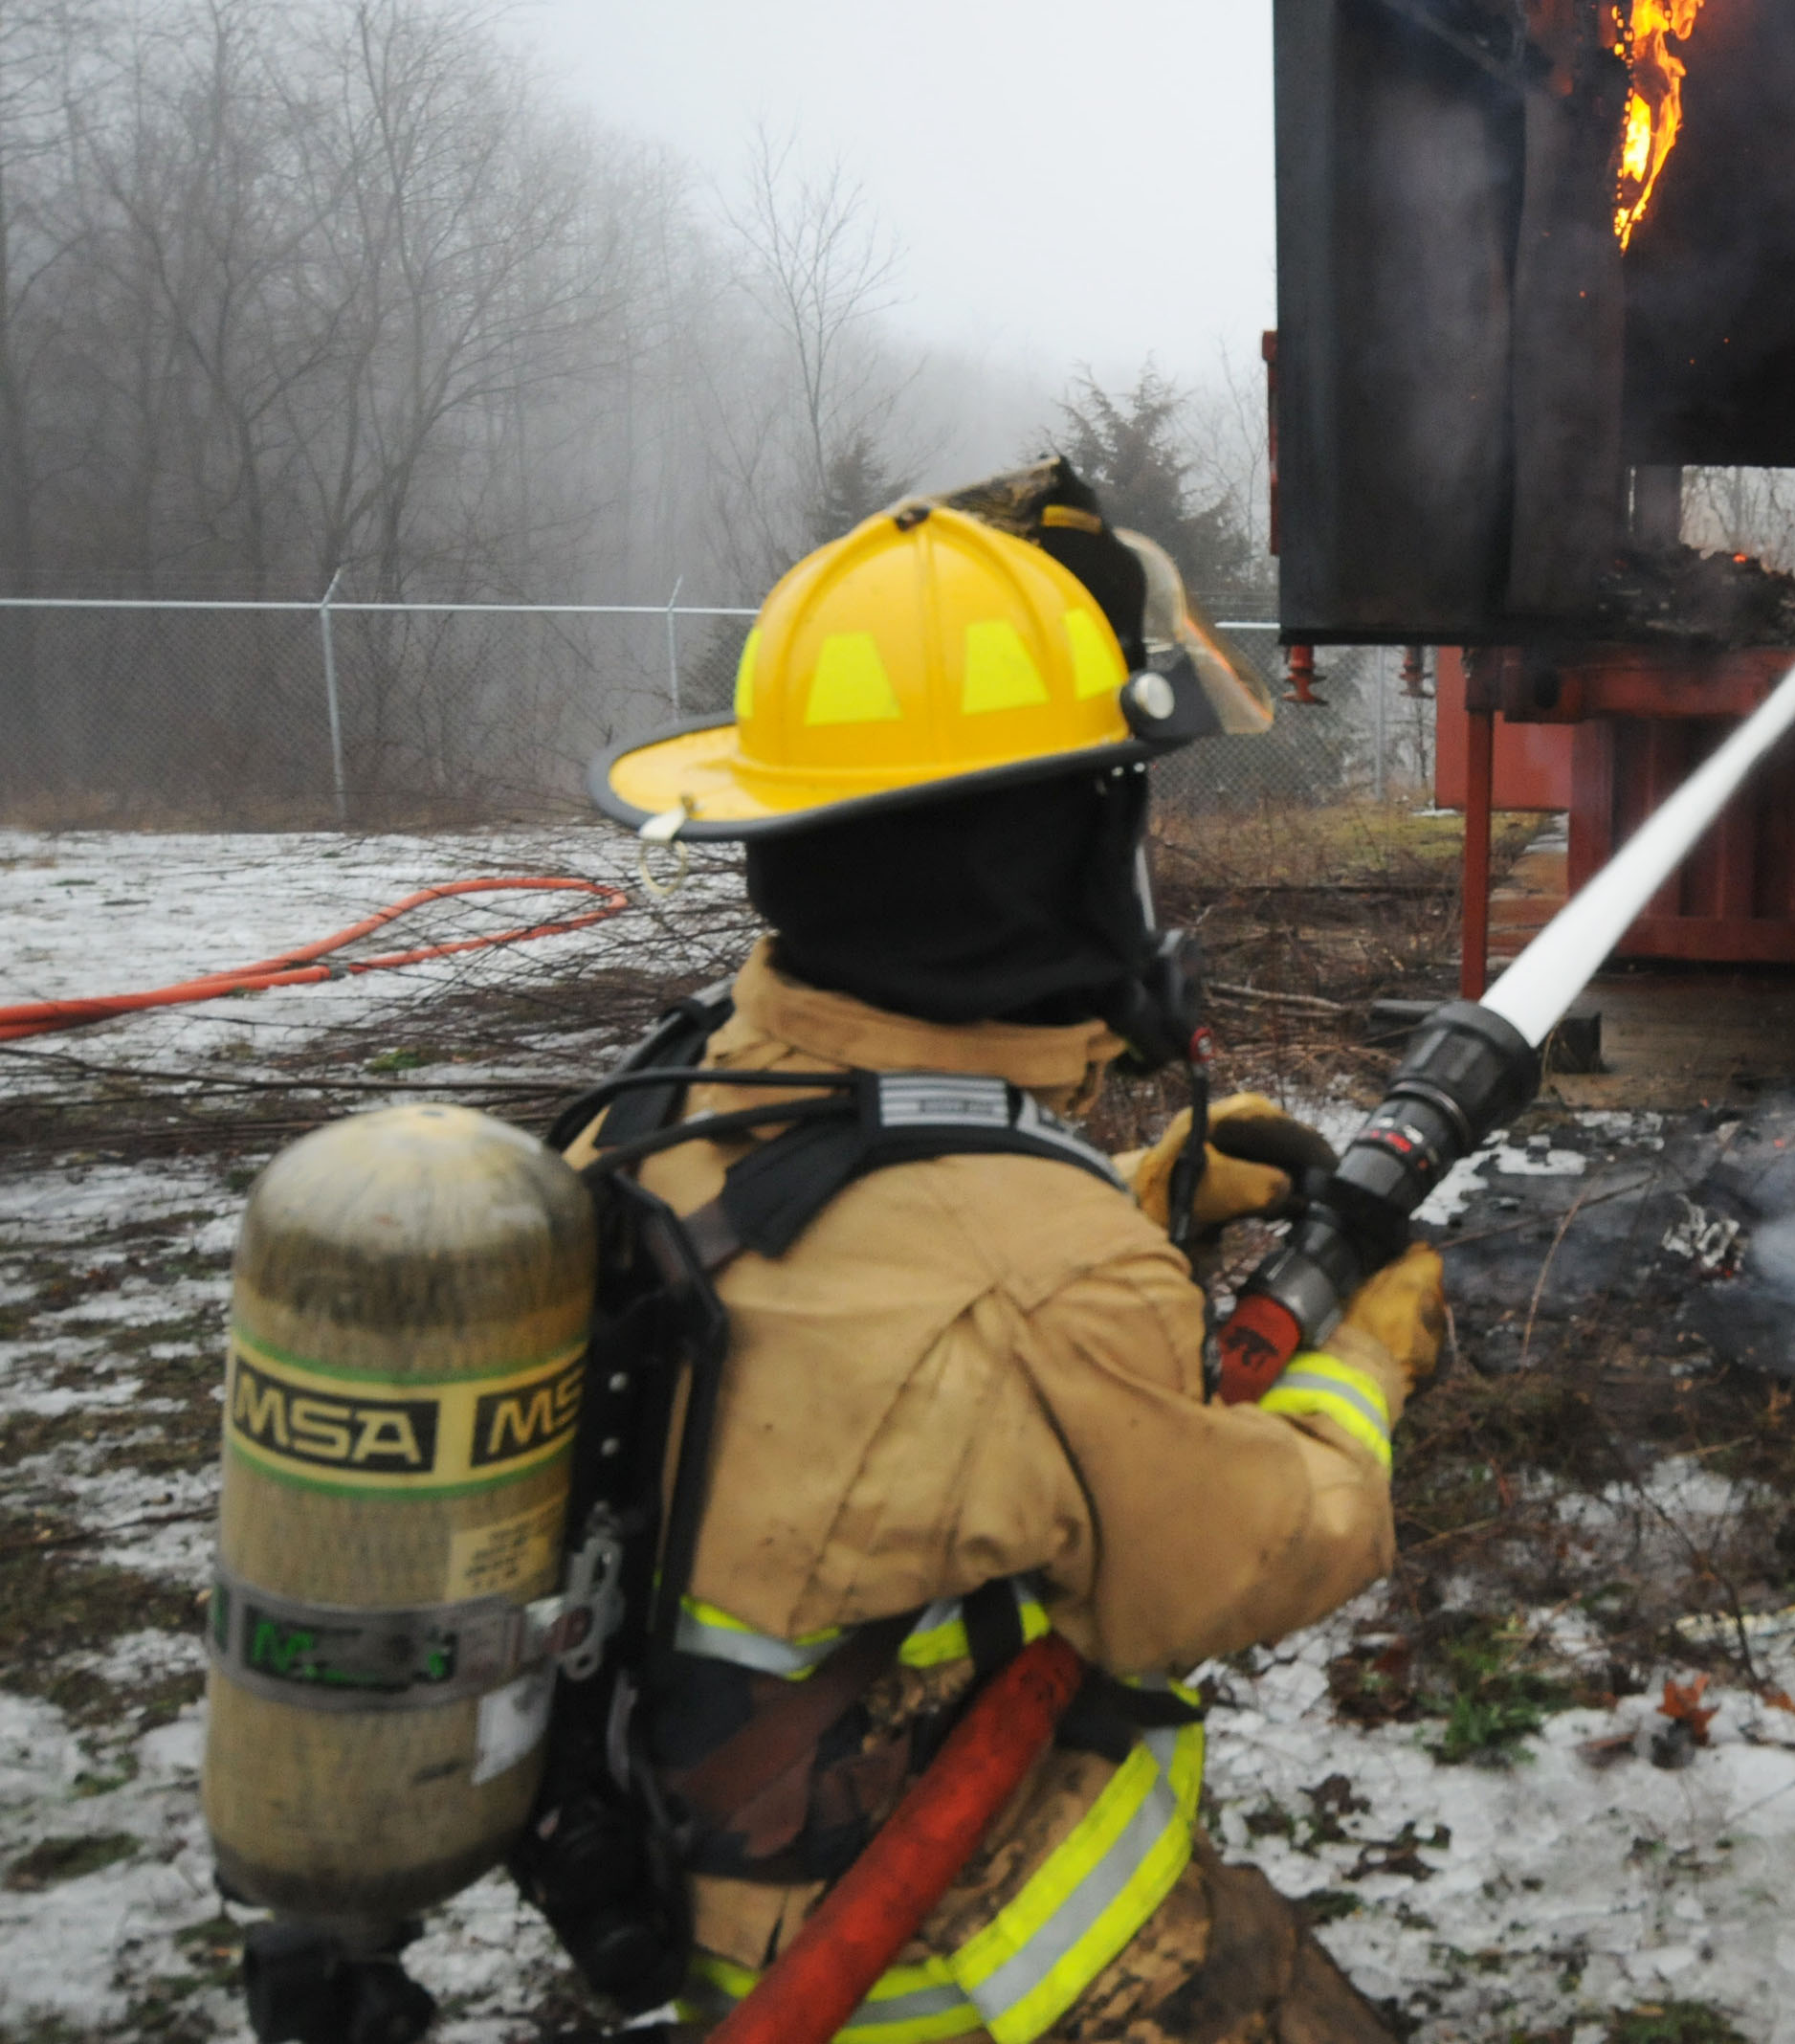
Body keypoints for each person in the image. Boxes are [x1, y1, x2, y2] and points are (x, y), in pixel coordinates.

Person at [579, 461, 1442, 2043]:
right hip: (952, 1973)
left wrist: (1136, 1194)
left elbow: (869, 1326)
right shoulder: (1030, 1274)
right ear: (1061, 852)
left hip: (676, 1881)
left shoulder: (679, 1096)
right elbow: (1221, 1570)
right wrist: (1363, 1362)